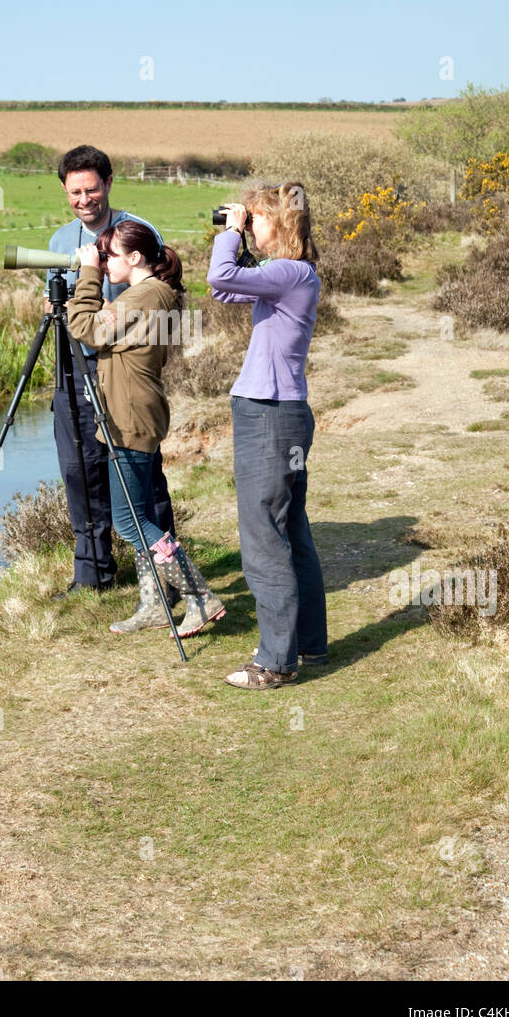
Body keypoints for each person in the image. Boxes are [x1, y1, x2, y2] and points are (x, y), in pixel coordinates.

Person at [67, 220, 226, 637]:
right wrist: (95, 293)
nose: (103, 262)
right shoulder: (151, 295)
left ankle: (198, 596)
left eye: (109, 255)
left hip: (131, 416)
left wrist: (86, 277)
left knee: (130, 522)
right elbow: (113, 331)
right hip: (132, 411)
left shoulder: (147, 293)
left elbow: (87, 331)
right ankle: (155, 604)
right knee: (138, 515)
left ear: (135, 258)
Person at [207, 182, 328, 689]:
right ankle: (308, 643)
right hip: (285, 414)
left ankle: (275, 662)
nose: (249, 225)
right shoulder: (291, 275)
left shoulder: (288, 271)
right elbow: (222, 289)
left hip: (268, 416)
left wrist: (232, 232)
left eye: (257, 218)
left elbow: (219, 273)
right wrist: (237, 235)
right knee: (291, 531)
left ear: (283, 222)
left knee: (263, 540)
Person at [45, 146, 177, 597]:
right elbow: (64, 310)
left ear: (109, 184)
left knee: (141, 477)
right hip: (75, 371)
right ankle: (94, 574)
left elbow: (161, 311)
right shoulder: (59, 242)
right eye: (75, 191)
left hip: (123, 377)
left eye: (92, 189)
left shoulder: (136, 232)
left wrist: (99, 309)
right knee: (79, 472)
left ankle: (165, 578)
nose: (84, 199)